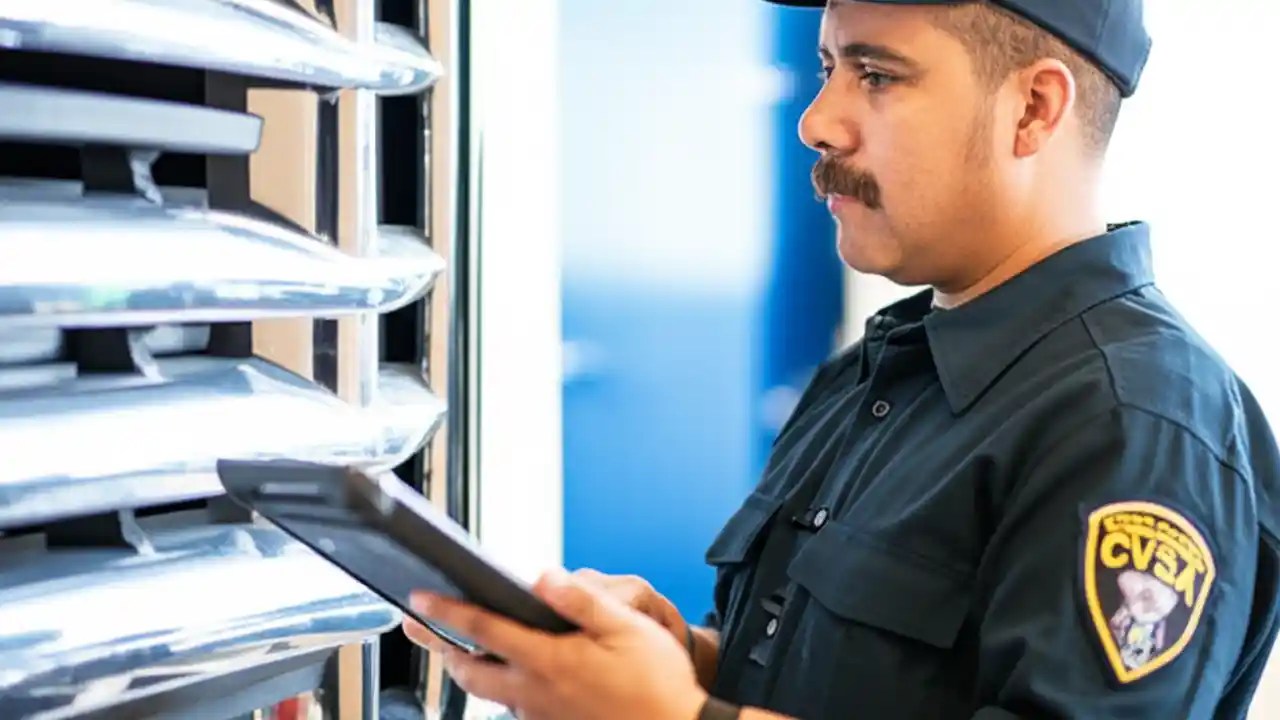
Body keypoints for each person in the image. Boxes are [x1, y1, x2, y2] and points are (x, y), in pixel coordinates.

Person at [404, 0, 1280, 718]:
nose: (818, 122)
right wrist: (687, 661)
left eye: (878, 75)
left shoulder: (1135, 419)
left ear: (1034, 109)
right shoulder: (880, 374)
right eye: (828, 69)